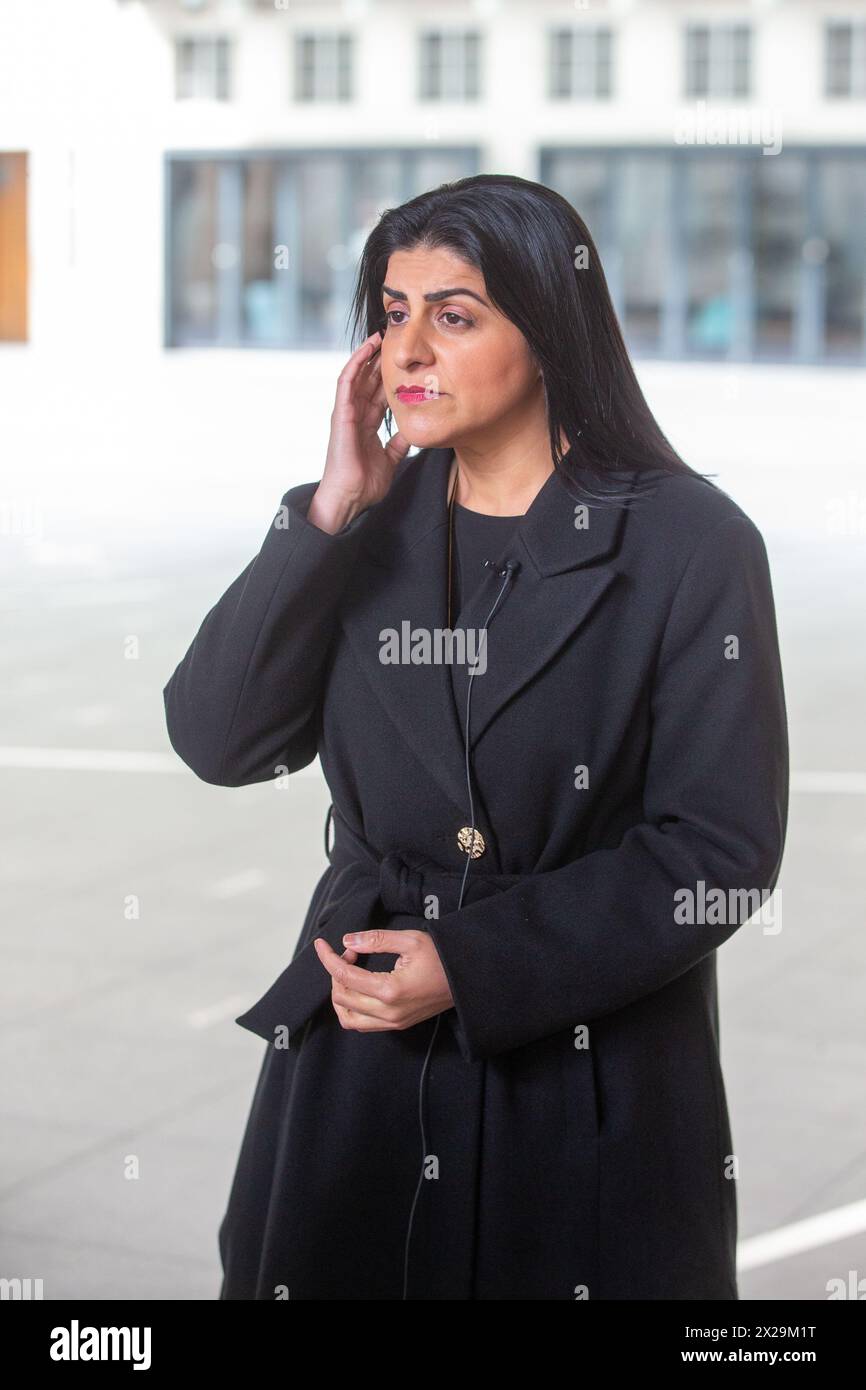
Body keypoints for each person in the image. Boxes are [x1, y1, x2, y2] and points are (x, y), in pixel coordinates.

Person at [162, 173, 788, 1300]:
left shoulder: (689, 543)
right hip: (358, 1058)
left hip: (584, 1073)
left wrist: (472, 964)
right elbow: (218, 738)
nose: (410, 347)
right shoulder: (361, 518)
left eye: (453, 315)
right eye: (393, 311)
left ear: (549, 330)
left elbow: (718, 852)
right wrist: (327, 513)